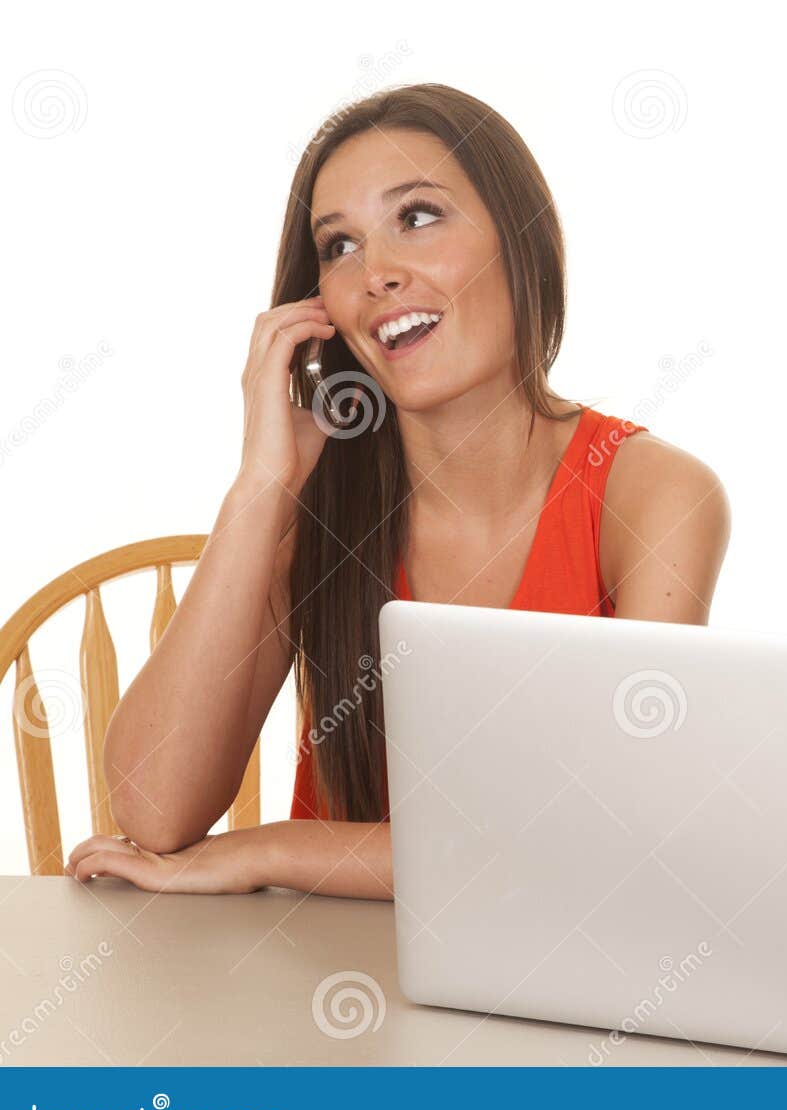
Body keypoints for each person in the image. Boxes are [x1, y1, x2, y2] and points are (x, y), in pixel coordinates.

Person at [68, 84, 730, 900]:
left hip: (552, 998)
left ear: (521, 240)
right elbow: (154, 808)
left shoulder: (655, 493)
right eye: (339, 245)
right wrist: (260, 487)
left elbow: (607, 844)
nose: (376, 273)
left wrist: (273, 849)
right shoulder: (322, 511)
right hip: (322, 992)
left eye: (417, 217)